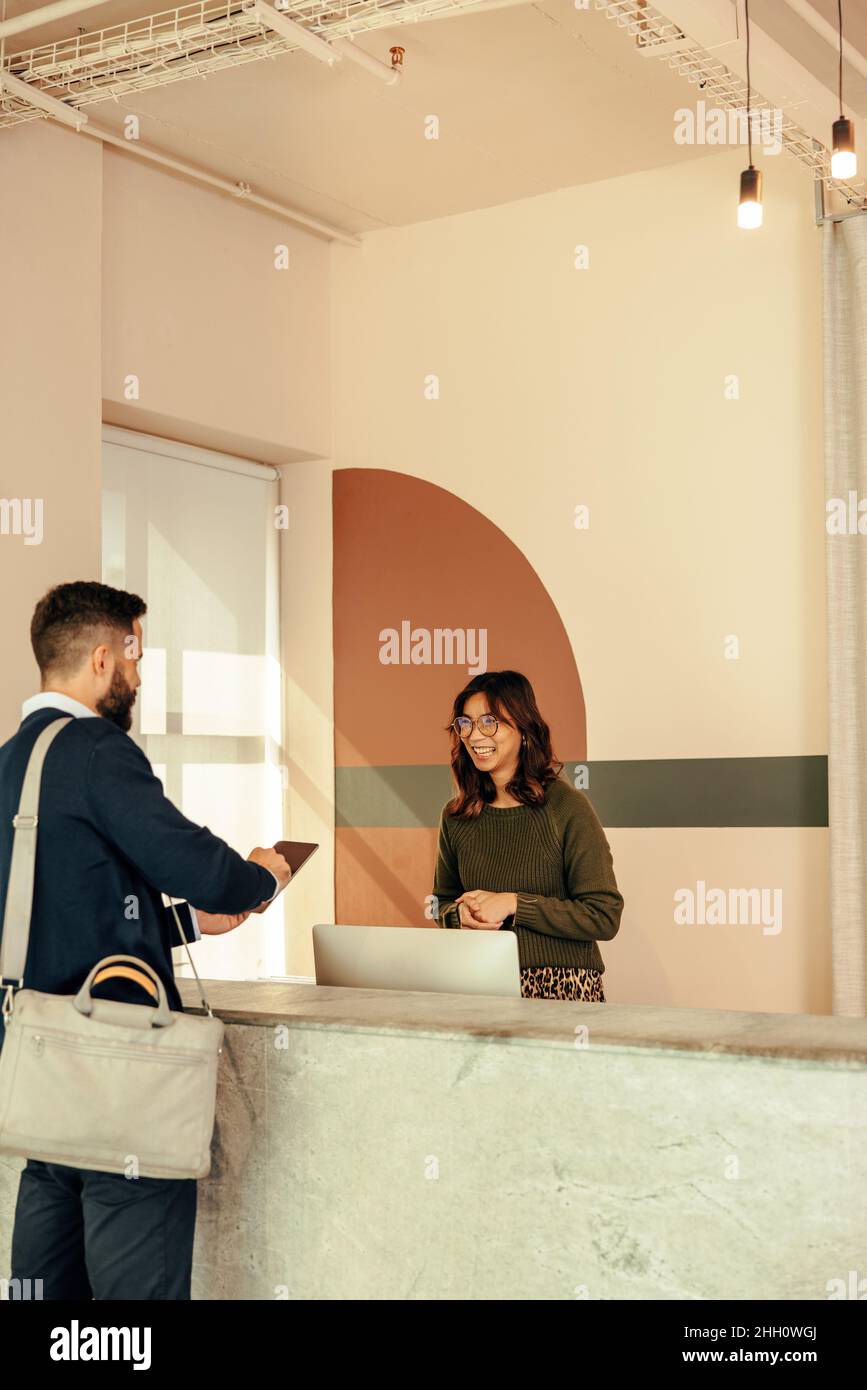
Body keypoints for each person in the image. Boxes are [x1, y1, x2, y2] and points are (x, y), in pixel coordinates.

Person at [0, 580, 291, 1300]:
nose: (138, 674)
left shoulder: (10, 762)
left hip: (40, 1071)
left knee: (43, 1283)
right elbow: (198, 864)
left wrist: (188, 923)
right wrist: (261, 877)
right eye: (134, 656)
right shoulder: (96, 749)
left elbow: (56, 915)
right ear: (103, 658)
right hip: (119, 1074)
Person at [432, 670, 623, 1001]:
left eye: (489, 722)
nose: (474, 735)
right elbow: (439, 903)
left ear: (523, 728)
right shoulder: (456, 815)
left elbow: (603, 915)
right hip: (481, 987)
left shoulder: (566, 807)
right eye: (466, 724)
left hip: (563, 990)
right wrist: (455, 916)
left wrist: (514, 903)